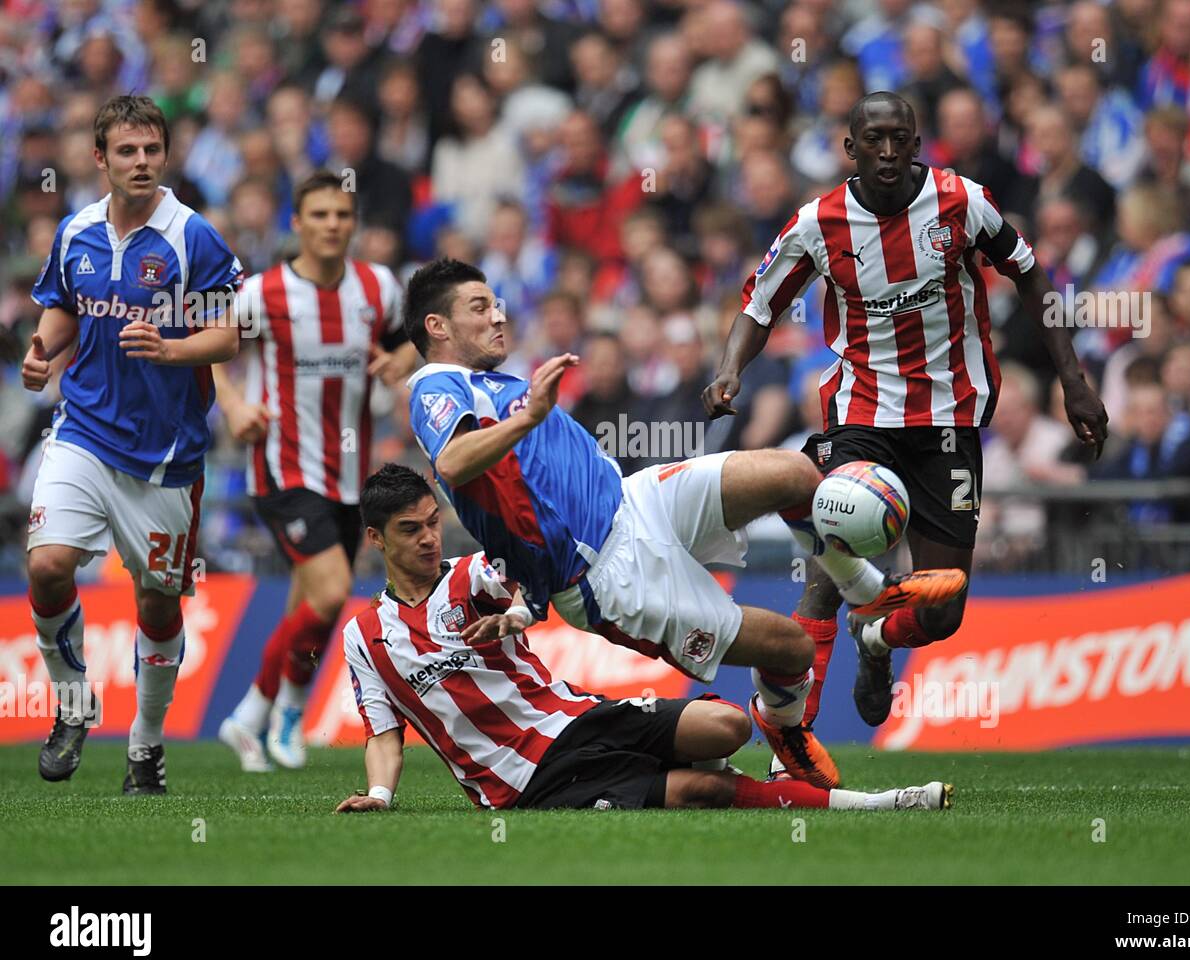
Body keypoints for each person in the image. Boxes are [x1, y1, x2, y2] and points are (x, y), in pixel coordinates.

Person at [401, 257, 965, 790]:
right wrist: (532, 416)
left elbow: (521, 501)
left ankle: (867, 591)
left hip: (632, 500)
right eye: (478, 307)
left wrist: (527, 592)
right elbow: (452, 462)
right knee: (791, 650)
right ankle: (784, 727)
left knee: (795, 472)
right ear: (438, 326)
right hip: (610, 577)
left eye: (496, 303)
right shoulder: (435, 386)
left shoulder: (493, 382)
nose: (498, 314)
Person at [702, 92, 1108, 775]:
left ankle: (878, 638)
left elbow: (1032, 276)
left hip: (948, 421)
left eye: (900, 139)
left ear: (916, 144)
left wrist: (1073, 378)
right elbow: (759, 302)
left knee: (943, 603)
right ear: (849, 148)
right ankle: (790, 744)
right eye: (874, 140)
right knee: (831, 567)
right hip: (861, 415)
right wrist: (727, 371)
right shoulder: (818, 222)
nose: (888, 152)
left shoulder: (961, 203)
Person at [335, 463, 953, 814]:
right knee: (704, 789)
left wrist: (521, 610)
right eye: (409, 529)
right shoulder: (366, 638)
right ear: (375, 539)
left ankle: (739, 773)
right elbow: (384, 734)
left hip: (577, 719)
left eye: (433, 522)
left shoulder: (471, 576)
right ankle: (880, 804)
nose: (427, 538)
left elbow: (524, 583)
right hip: (524, 784)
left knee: (727, 726)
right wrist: (382, 795)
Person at [23, 95, 244, 794]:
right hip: (83, 431)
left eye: (152, 150)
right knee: (50, 566)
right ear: (100, 159)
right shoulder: (76, 231)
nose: (141, 161)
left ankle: (146, 746)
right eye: (127, 151)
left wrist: (173, 349)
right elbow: (63, 307)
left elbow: (229, 334)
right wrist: (41, 353)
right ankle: (74, 703)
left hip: (164, 458)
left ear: (166, 156)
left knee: (157, 601)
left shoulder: (193, 238)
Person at [213, 170, 415, 772]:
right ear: (297, 223)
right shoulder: (263, 292)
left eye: (342, 215)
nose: (332, 225)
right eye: (320, 215)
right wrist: (234, 406)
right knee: (330, 594)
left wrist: (394, 361)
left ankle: (265, 721)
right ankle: (262, 715)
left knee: (309, 607)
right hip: (282, 466)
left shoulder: (377, 287)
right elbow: (211, 350)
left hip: (351, 474)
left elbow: (412, 342)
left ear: (353, 224)